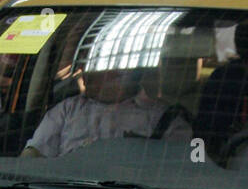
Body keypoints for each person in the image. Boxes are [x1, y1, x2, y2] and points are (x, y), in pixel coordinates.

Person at [23, 66, 187, 158]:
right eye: (86, 68)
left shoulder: (164, 119)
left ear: (122, 71)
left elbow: (182, 175)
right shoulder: (67, 109)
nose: (85, 76)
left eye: (95, 67)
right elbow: (34, 154)